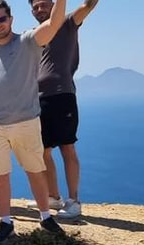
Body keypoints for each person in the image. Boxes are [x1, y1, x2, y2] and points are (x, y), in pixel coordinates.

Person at [0, 0, 67, 243]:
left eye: (1, 19)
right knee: (0, 175)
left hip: (26, 121)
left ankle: (45, 217)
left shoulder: (28, 41)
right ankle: (6, 222)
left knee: (35, 171)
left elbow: (55, 22)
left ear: (11, 19)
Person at [32, 0, 99, 221]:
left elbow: (88, 5)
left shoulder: (68, 22)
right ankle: (53, 196)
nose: (40, 9)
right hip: (39, 99)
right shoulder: (36, 34)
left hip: (62, 95)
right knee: (43, 151)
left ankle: (73, 201)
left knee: (67, 147)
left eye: (43, 5)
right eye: (35, 7)